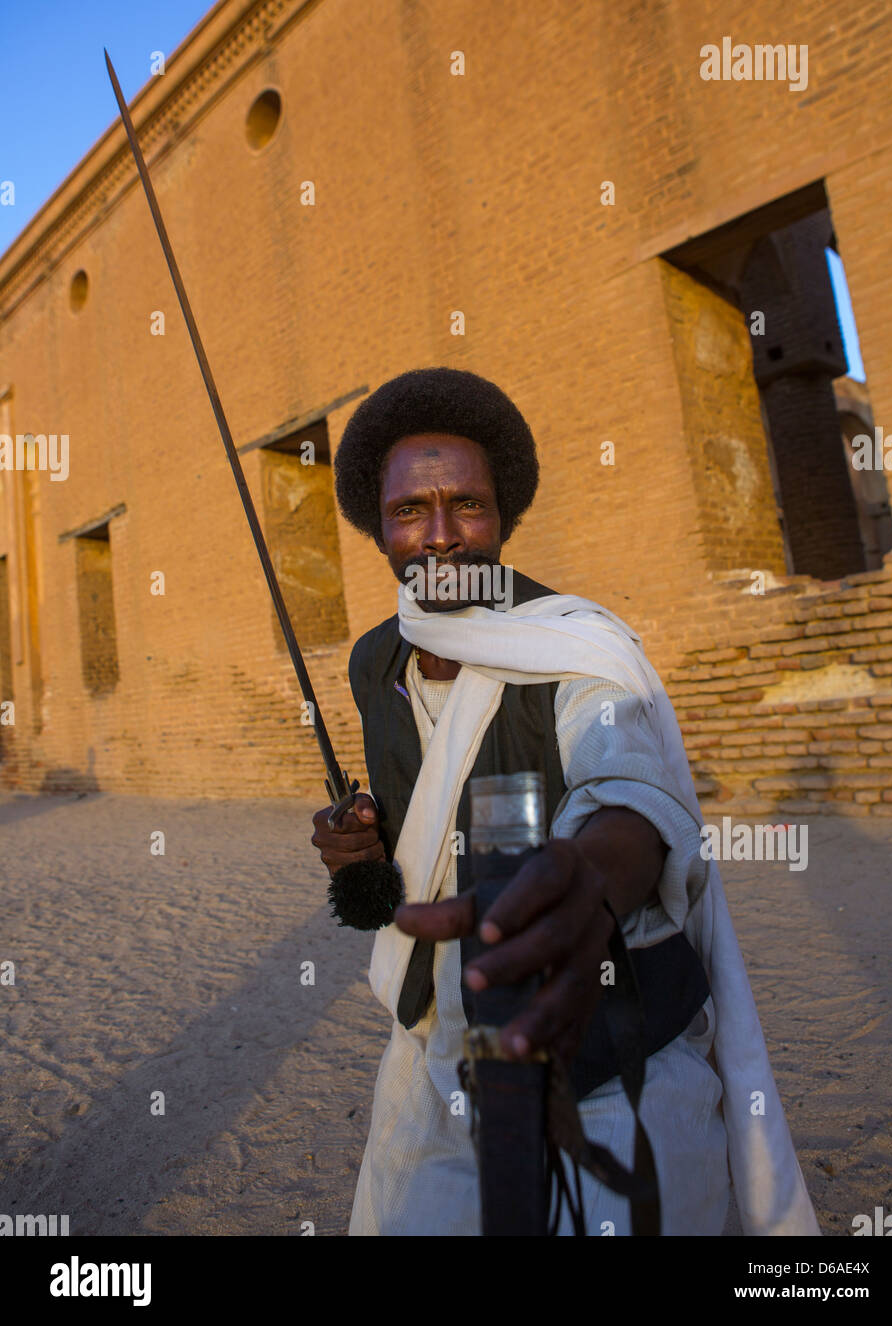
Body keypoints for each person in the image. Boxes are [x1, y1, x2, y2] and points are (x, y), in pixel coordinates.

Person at [311, 366, 819, 1237]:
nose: (440, 537)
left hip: (608, 1055)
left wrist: (589, 873)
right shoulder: (375, 662)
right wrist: (361, 847)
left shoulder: (578, 645)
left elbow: (628, 786)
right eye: (408, 512)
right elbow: (418, 823)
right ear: (376, 526)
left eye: (465, 505)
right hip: (434, 1042)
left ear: (502, 511)